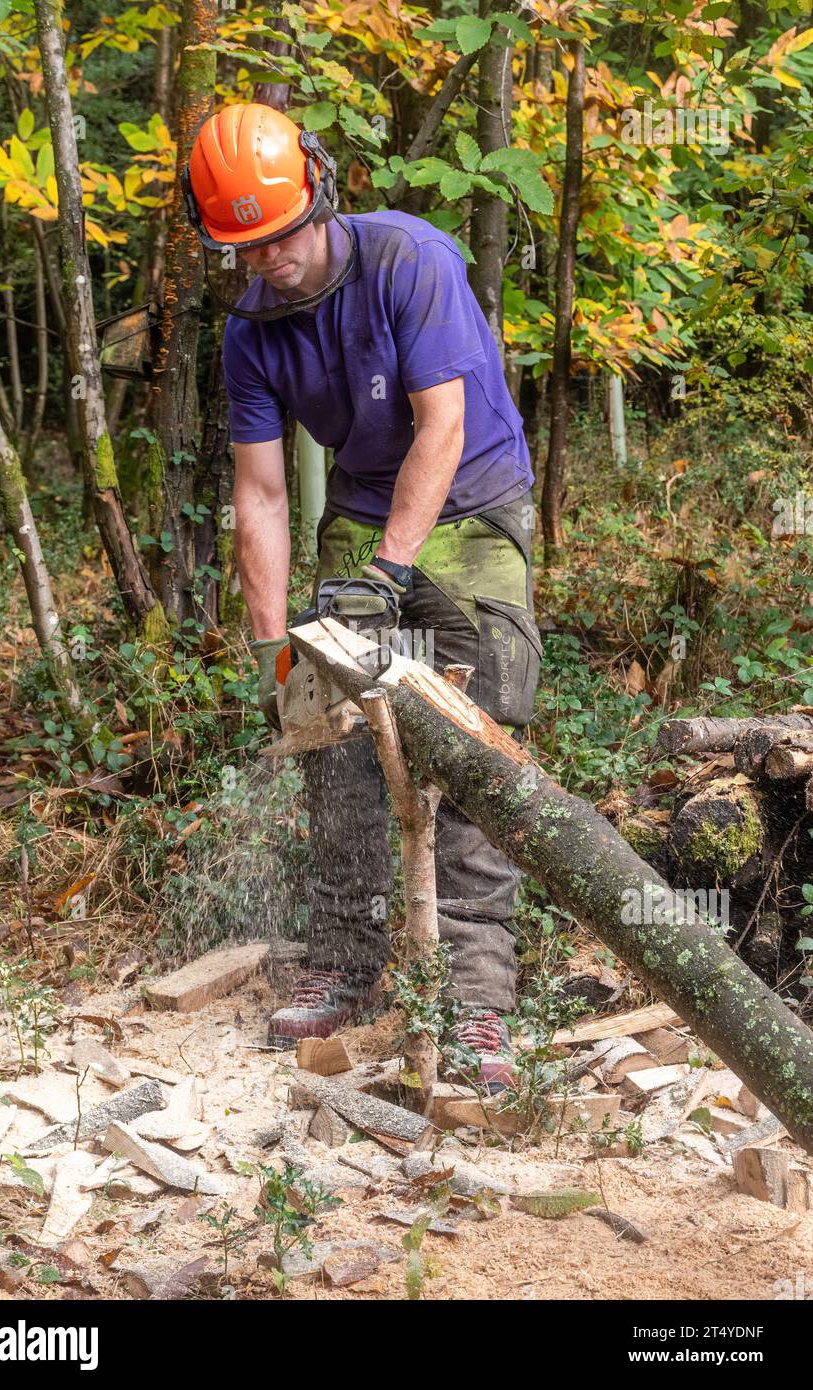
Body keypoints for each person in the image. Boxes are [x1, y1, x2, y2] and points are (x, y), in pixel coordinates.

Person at [184, 102, 542, 1087]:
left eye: (281, 234)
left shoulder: (407, 260)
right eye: (244, 246)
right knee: (327, 724)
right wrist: (274, 650)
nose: (269, 259)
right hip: (358, 504)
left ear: (319, 197)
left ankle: (473, 1003)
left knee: (477, 724)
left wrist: (388, 574)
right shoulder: (249, 332)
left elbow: (442, 426)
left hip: (469, 496)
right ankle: (349, 961)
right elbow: (257, 495)